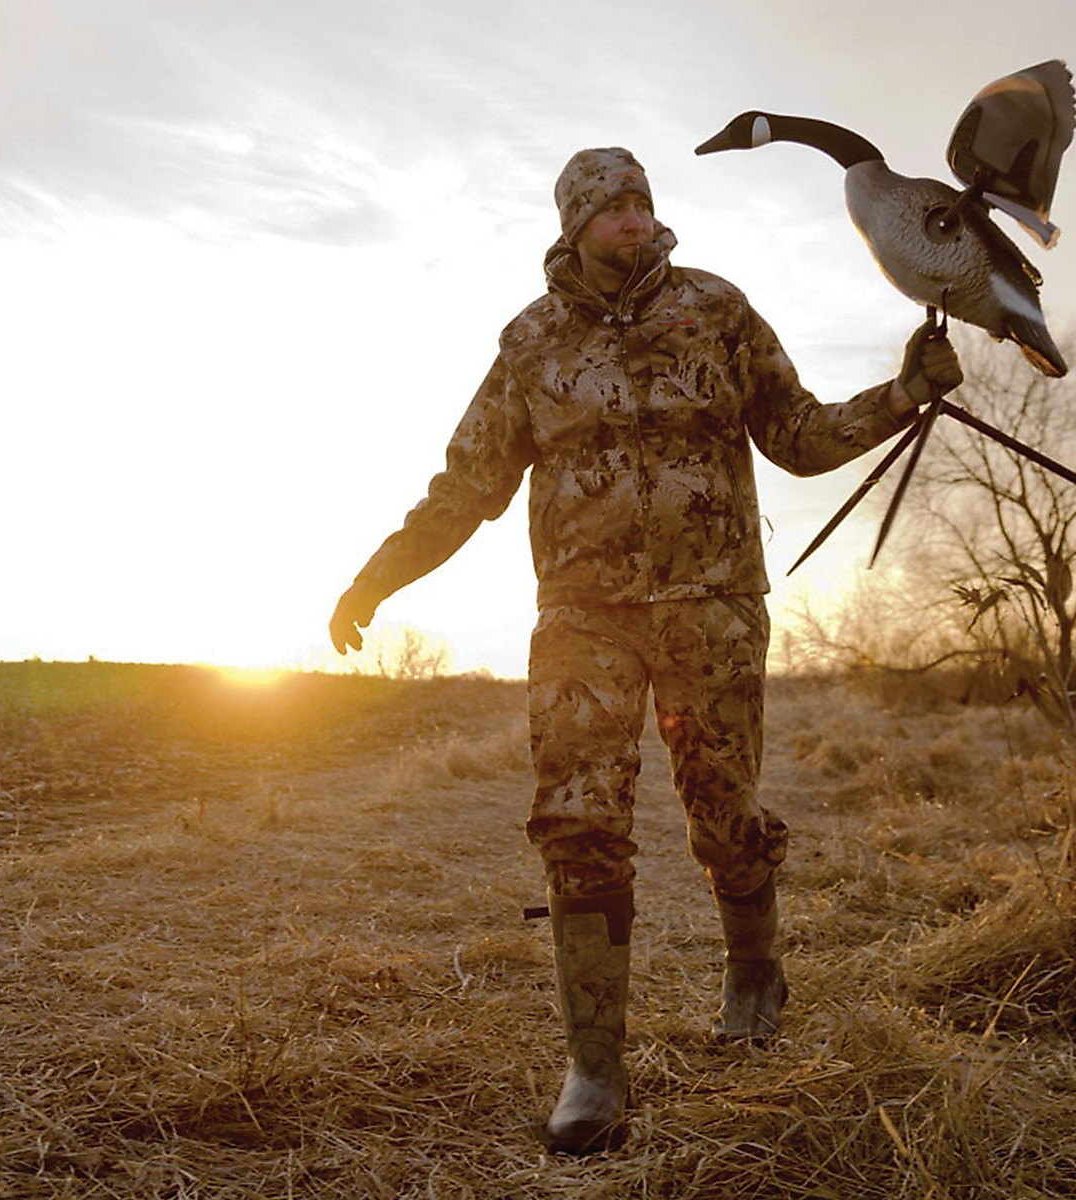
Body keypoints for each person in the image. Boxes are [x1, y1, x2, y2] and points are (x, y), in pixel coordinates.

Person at [329, 147, 962, 1154]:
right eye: (613, 209)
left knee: (722, 814)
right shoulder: (531, 344)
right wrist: (378, 575)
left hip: (712, 608)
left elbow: (797, 435)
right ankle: (595, 1066)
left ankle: (753, 970)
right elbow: (466, 487)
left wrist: (898, 396)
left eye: (643, 205)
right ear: (574, 226)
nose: (634, 221)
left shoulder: (718, 310)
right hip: (583, 618)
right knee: (576, 821)